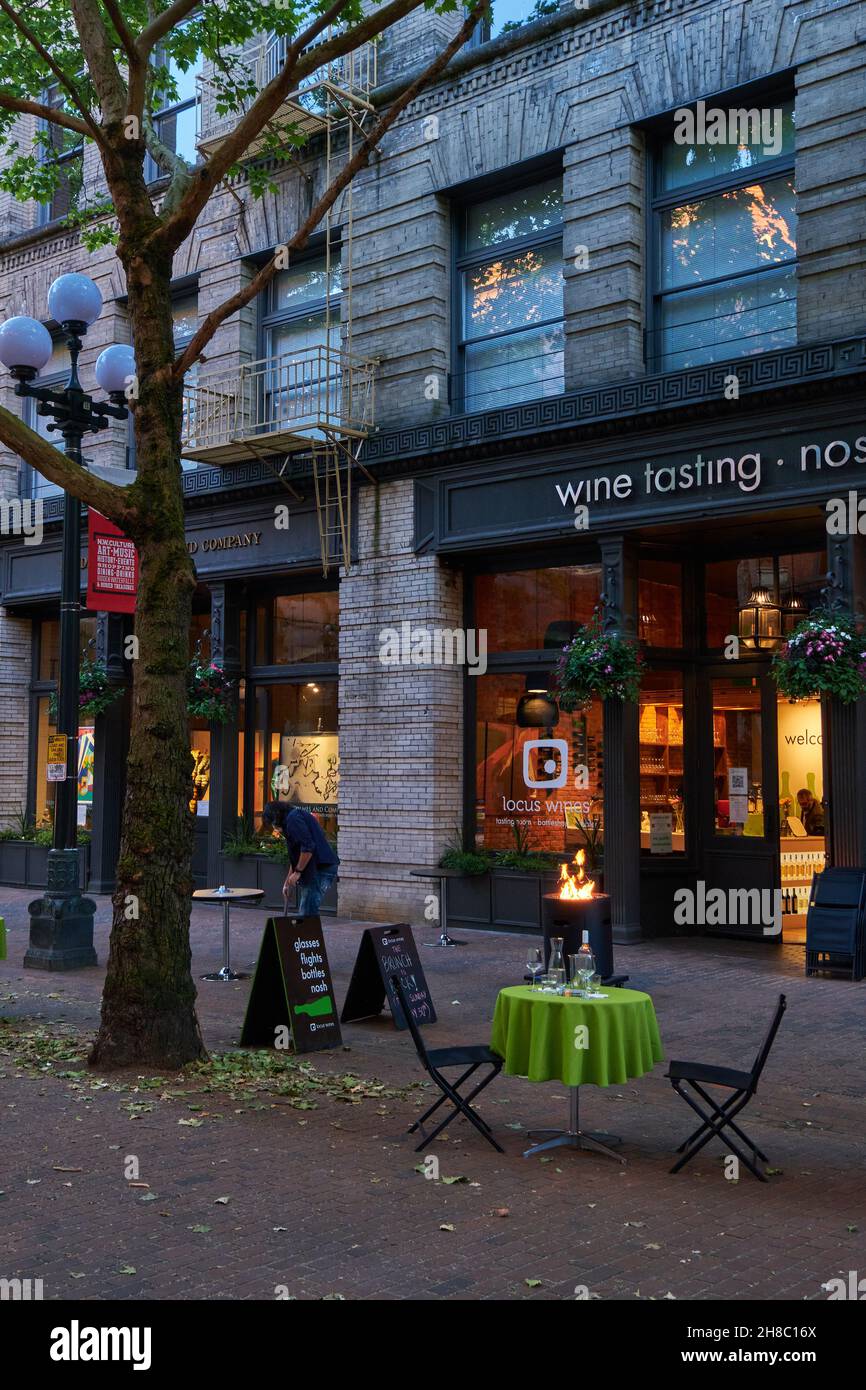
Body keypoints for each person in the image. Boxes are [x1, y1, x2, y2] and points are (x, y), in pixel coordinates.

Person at [262, 800, 339, 915]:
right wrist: (288, 882)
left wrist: (298, 872)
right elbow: (296, 857)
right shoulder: (291, 821)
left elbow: (308, 847)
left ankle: (307, 932)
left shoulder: (293, 819)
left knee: (306, 912)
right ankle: (308, 932)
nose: (274, 827)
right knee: (307, 911)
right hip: (316, 867)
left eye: (273, 823)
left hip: (321, 867)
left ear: (277, 815)